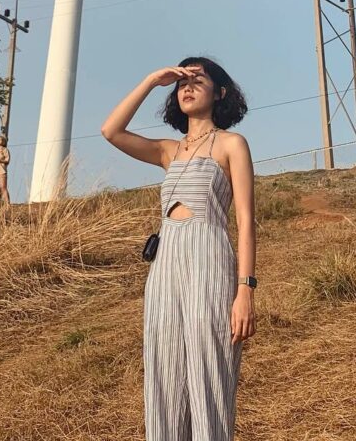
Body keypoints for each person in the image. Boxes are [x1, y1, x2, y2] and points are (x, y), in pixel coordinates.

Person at [101, 57, 256, 441]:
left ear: (219, 93)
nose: (186, 87)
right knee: (165, 376)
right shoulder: (169, 151)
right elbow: (111, 130)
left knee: (210, 376)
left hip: (211, 261)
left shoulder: (231, 144)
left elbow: (246, 221)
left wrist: (245, 291)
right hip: (166, 267)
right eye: (180, 82)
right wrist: (152, 79)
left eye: (197, 80)